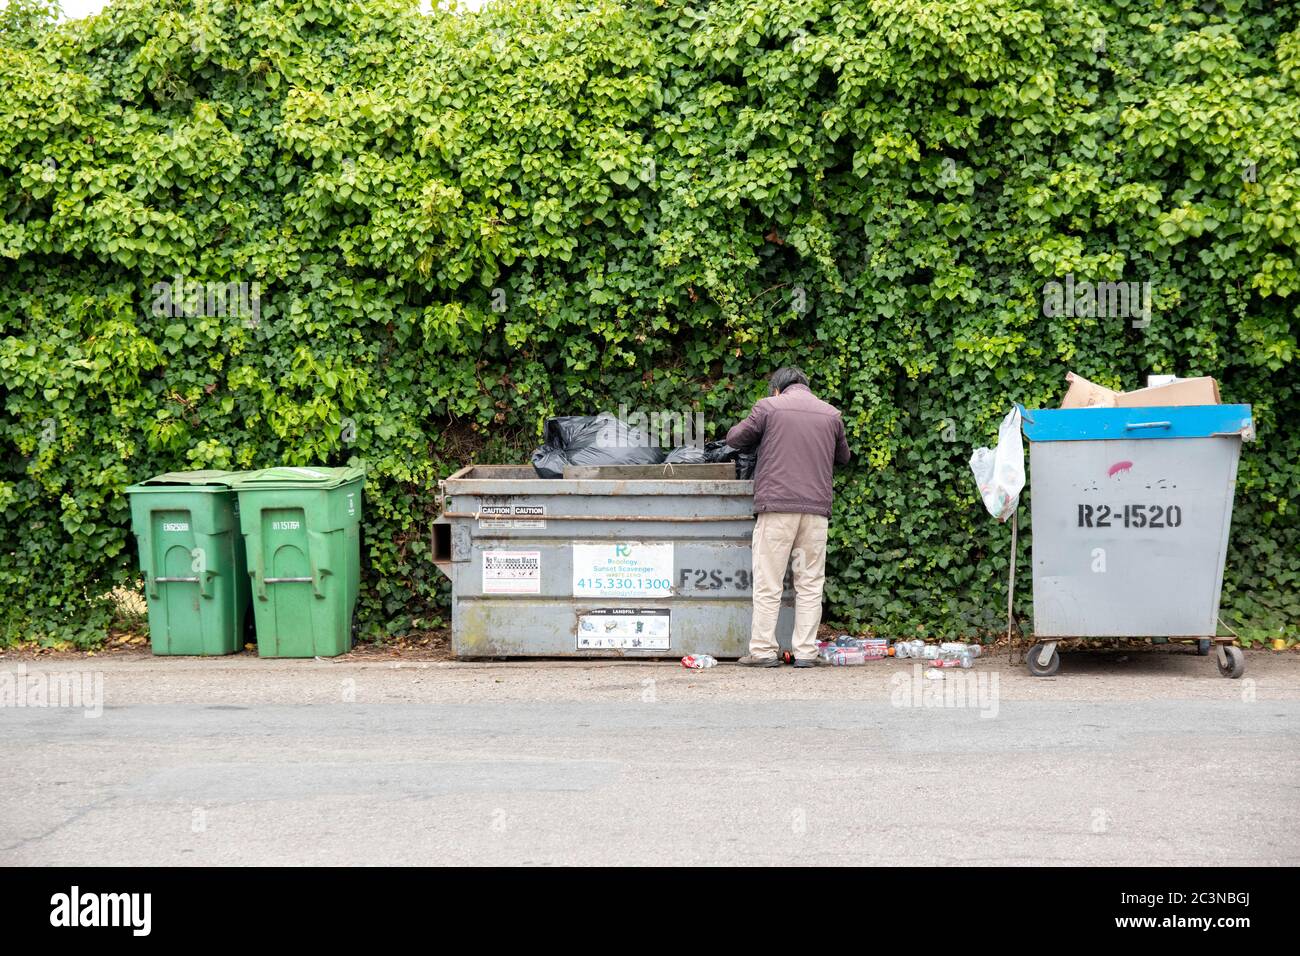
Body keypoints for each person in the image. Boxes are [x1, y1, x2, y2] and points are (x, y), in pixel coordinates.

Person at [726, 367, 851, 667]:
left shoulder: (768, 407)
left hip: (777, 509)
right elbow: (844, 458)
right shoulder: (831, 414)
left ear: (778, 389)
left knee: (769, 581)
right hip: (815, 513)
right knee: (809, 583)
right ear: (806, 387)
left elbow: (735, 438)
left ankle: (763, 651)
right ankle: (807, 652)